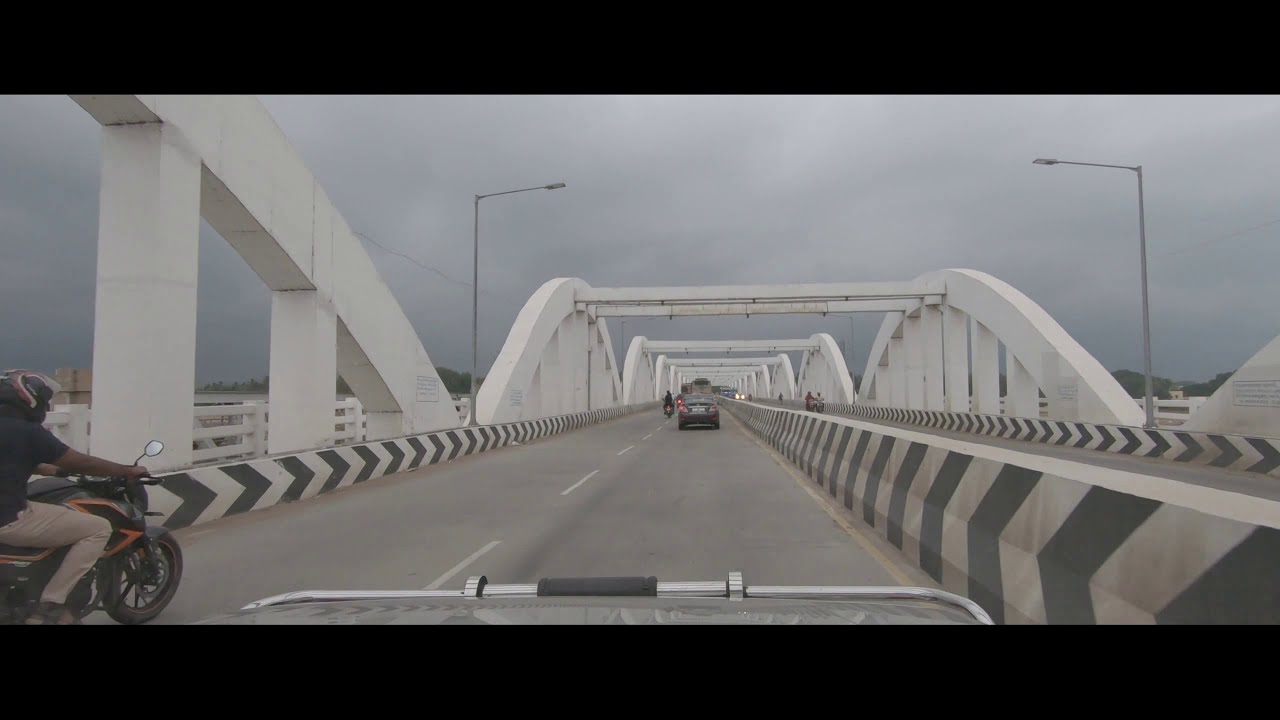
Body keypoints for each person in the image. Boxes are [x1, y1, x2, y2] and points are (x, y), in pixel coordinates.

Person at [0, 369, 151, 625]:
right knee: (98, 528)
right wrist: (127, 471)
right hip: (7, 519)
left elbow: (19, 460)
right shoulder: (27, 432)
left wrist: (56, 470)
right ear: (30, 399)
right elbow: (83, 462)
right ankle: (52, 605)